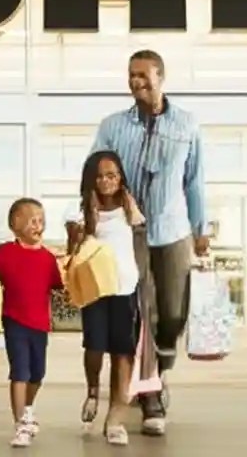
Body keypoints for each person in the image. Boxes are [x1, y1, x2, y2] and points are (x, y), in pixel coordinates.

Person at [74, 49, 207, 437]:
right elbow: (93, 171)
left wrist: (200, 230)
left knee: (173, 313)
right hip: (128, 235)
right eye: (131, 75)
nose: (136, 82)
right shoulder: (113, 125)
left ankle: (160, 372)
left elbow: (194, 180)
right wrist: (85, 221)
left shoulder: (186, 123)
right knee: (142, 315)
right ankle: (149, 396)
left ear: (160, 77)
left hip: (173, 231)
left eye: (143, 76)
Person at [65, 150, 145, 446]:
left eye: (111, 175)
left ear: (120, 176)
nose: (105, 181)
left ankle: (116, 417)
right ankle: (92, 390)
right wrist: (86, 223)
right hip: (95, 289)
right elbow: (74, 248)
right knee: (95, 348)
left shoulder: (129, 206)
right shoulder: (82, 210)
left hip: (125, 287)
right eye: (99, 176)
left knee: (123, 351)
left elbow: (140, 237)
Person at [0, 198, 64, 448]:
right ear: (15, 223)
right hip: (14, 320)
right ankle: (21, 422)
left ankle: (28, 408)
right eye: (33, 220)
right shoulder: (3, 254)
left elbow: (59, 286)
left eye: (42, 220)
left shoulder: (47, 258)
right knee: (19, 371)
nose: (38, 225)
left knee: (37, 374)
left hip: (40, 325)